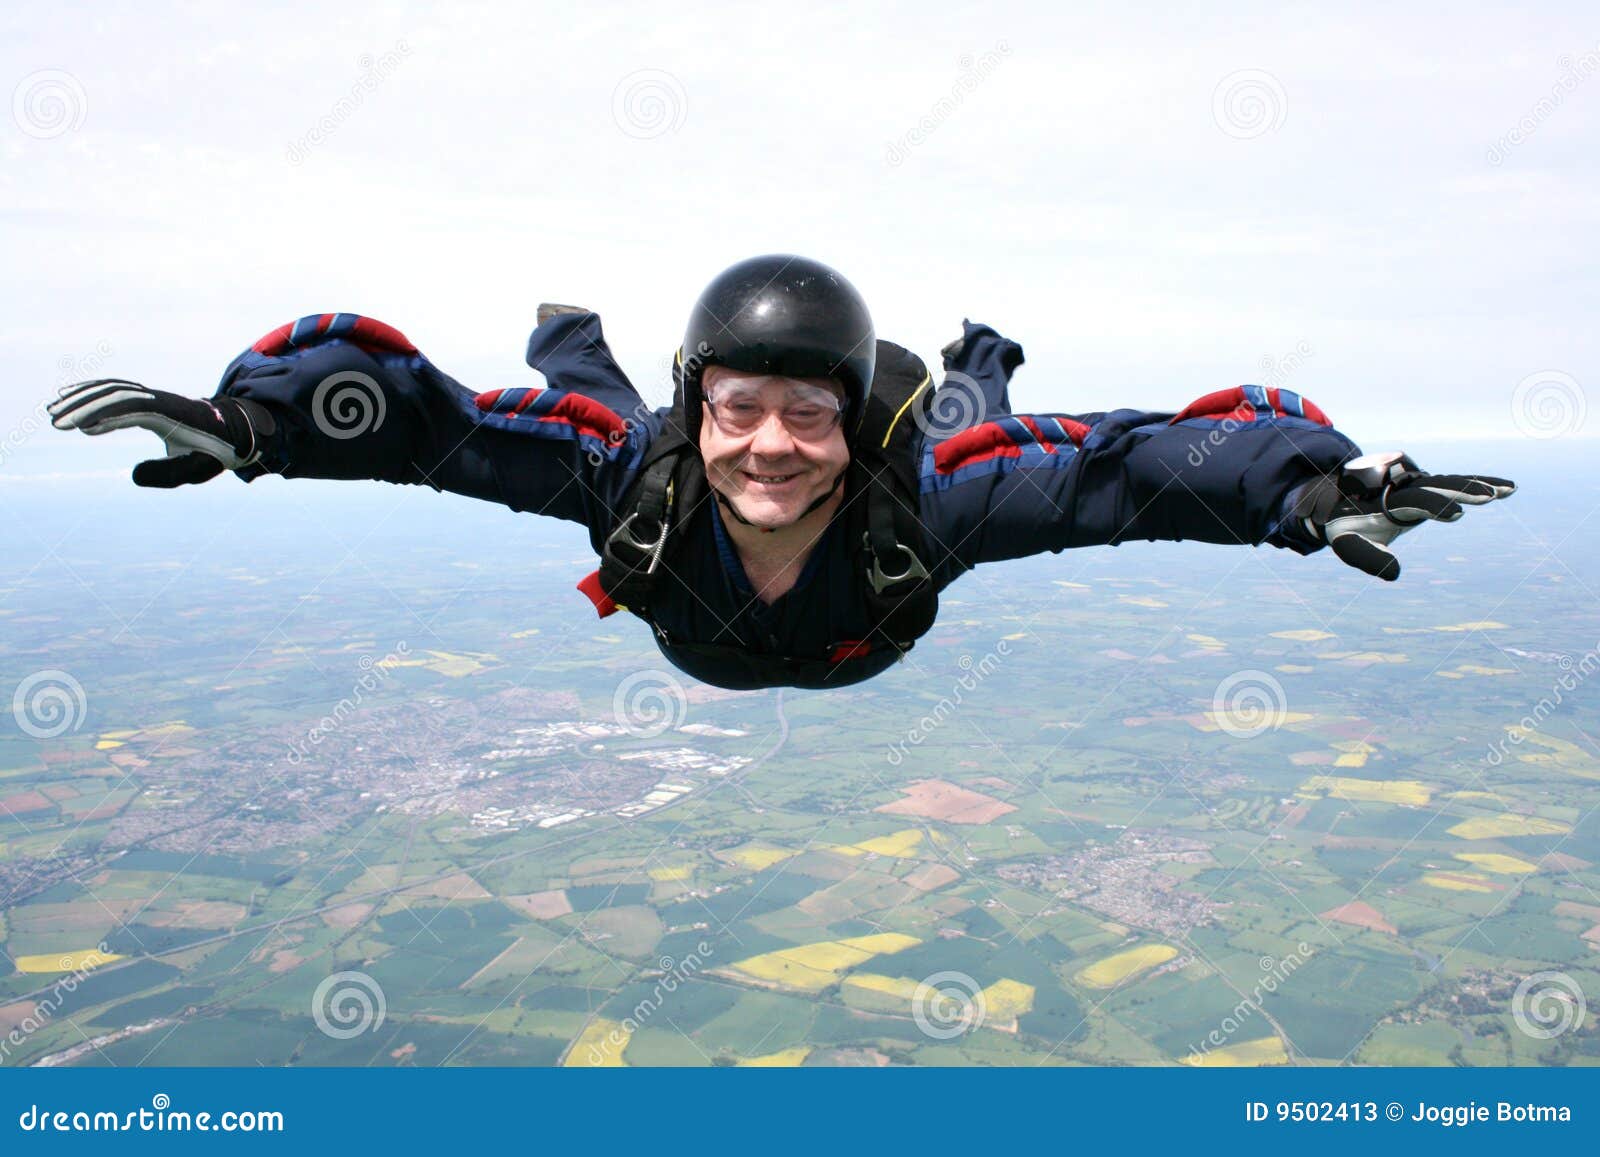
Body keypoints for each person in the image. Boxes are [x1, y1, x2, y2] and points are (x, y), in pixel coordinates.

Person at [49, 254, 1515, 691]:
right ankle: (577, 328)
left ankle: (978, 354)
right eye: (739, 410)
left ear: (846, 426)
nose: (768, 444)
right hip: (712, 569)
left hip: (864, 589)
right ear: (703, 412)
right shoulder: (646, 468)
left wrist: (1301, 486)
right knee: (579, 404)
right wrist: (264, 425)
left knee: (975, 421)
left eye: (808, 417)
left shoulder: (921, 495)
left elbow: (1127, 472)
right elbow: (440, 425)